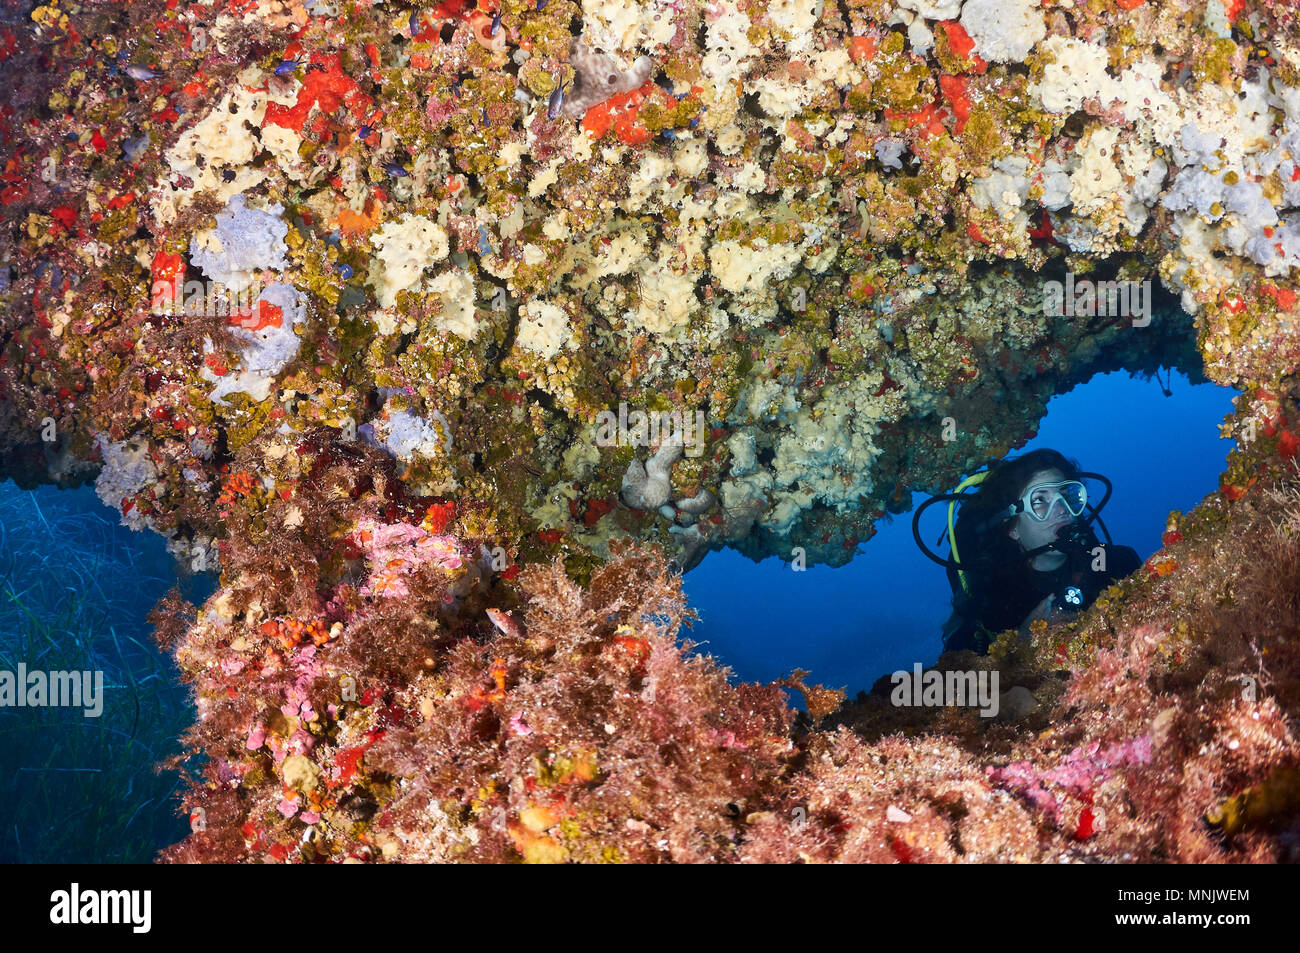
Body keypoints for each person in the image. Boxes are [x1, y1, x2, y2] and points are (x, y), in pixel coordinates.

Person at [936, 449, 1141, 654]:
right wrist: (1020, 646)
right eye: (1039, 501)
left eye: (1065, 495)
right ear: (1012, 528)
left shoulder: (1110, 562)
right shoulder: (991, 595)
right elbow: (959, 668)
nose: (1062, 509)